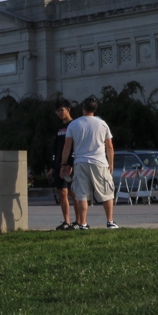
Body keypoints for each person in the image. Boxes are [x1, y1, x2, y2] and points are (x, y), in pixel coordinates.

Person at [60, 96, 118, 230]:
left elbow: (67, 146)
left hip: (80, 162)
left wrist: (64, 164)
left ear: (83, 108)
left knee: (81, 195)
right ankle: (110, 221)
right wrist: (111, 163)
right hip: (99, 161)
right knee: (106, 193)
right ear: (95, 109)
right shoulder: (102, 124)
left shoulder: (73, 124)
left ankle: (83, 223)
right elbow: (109, 146)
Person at [49, 97, 76, 230]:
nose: (59, 113)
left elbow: (75, 146)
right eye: (57, 111)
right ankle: (67, 221)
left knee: (74, 192)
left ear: (68, 110)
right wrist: (52, 166)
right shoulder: (58, 127)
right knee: (62, 192)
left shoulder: (75, 125)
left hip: (71, 165)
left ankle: (79, 221)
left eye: (61, 110)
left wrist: (70, 163)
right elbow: (55, 148)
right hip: (59, 165)